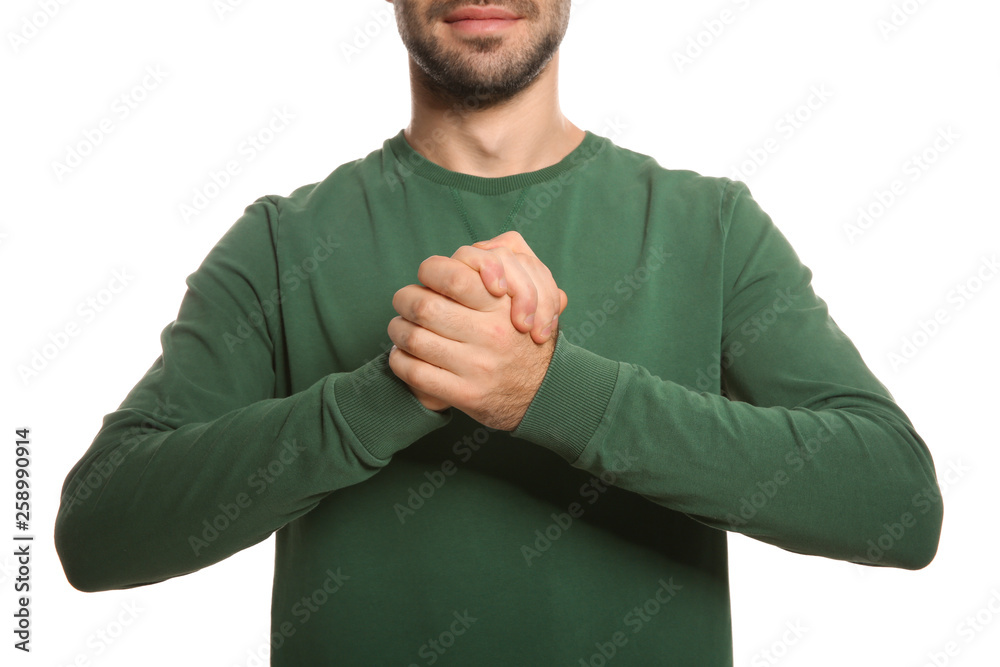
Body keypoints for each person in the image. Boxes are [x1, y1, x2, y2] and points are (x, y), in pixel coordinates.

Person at [55, 1, 944, 664]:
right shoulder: (283, 242)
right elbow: (96, 529)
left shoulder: (706, 225)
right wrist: (396, 389)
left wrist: (550, 392)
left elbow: (896, 502)